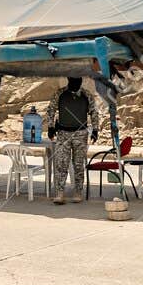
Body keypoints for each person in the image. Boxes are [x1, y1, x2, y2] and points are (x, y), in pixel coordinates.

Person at [47, 76, 101, 204]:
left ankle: (78, 191)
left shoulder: (86, 95)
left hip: (80, 134)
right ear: (69, 80)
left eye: (78, 81)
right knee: (61, 164)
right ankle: (60, 193)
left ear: (81, 81)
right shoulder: (60, 94)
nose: (76, 83)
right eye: (73, 81)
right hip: (63, 133)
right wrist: (50, 127)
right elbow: (51, 110)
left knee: (78, 164)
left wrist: (95, 129)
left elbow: (94, 112)